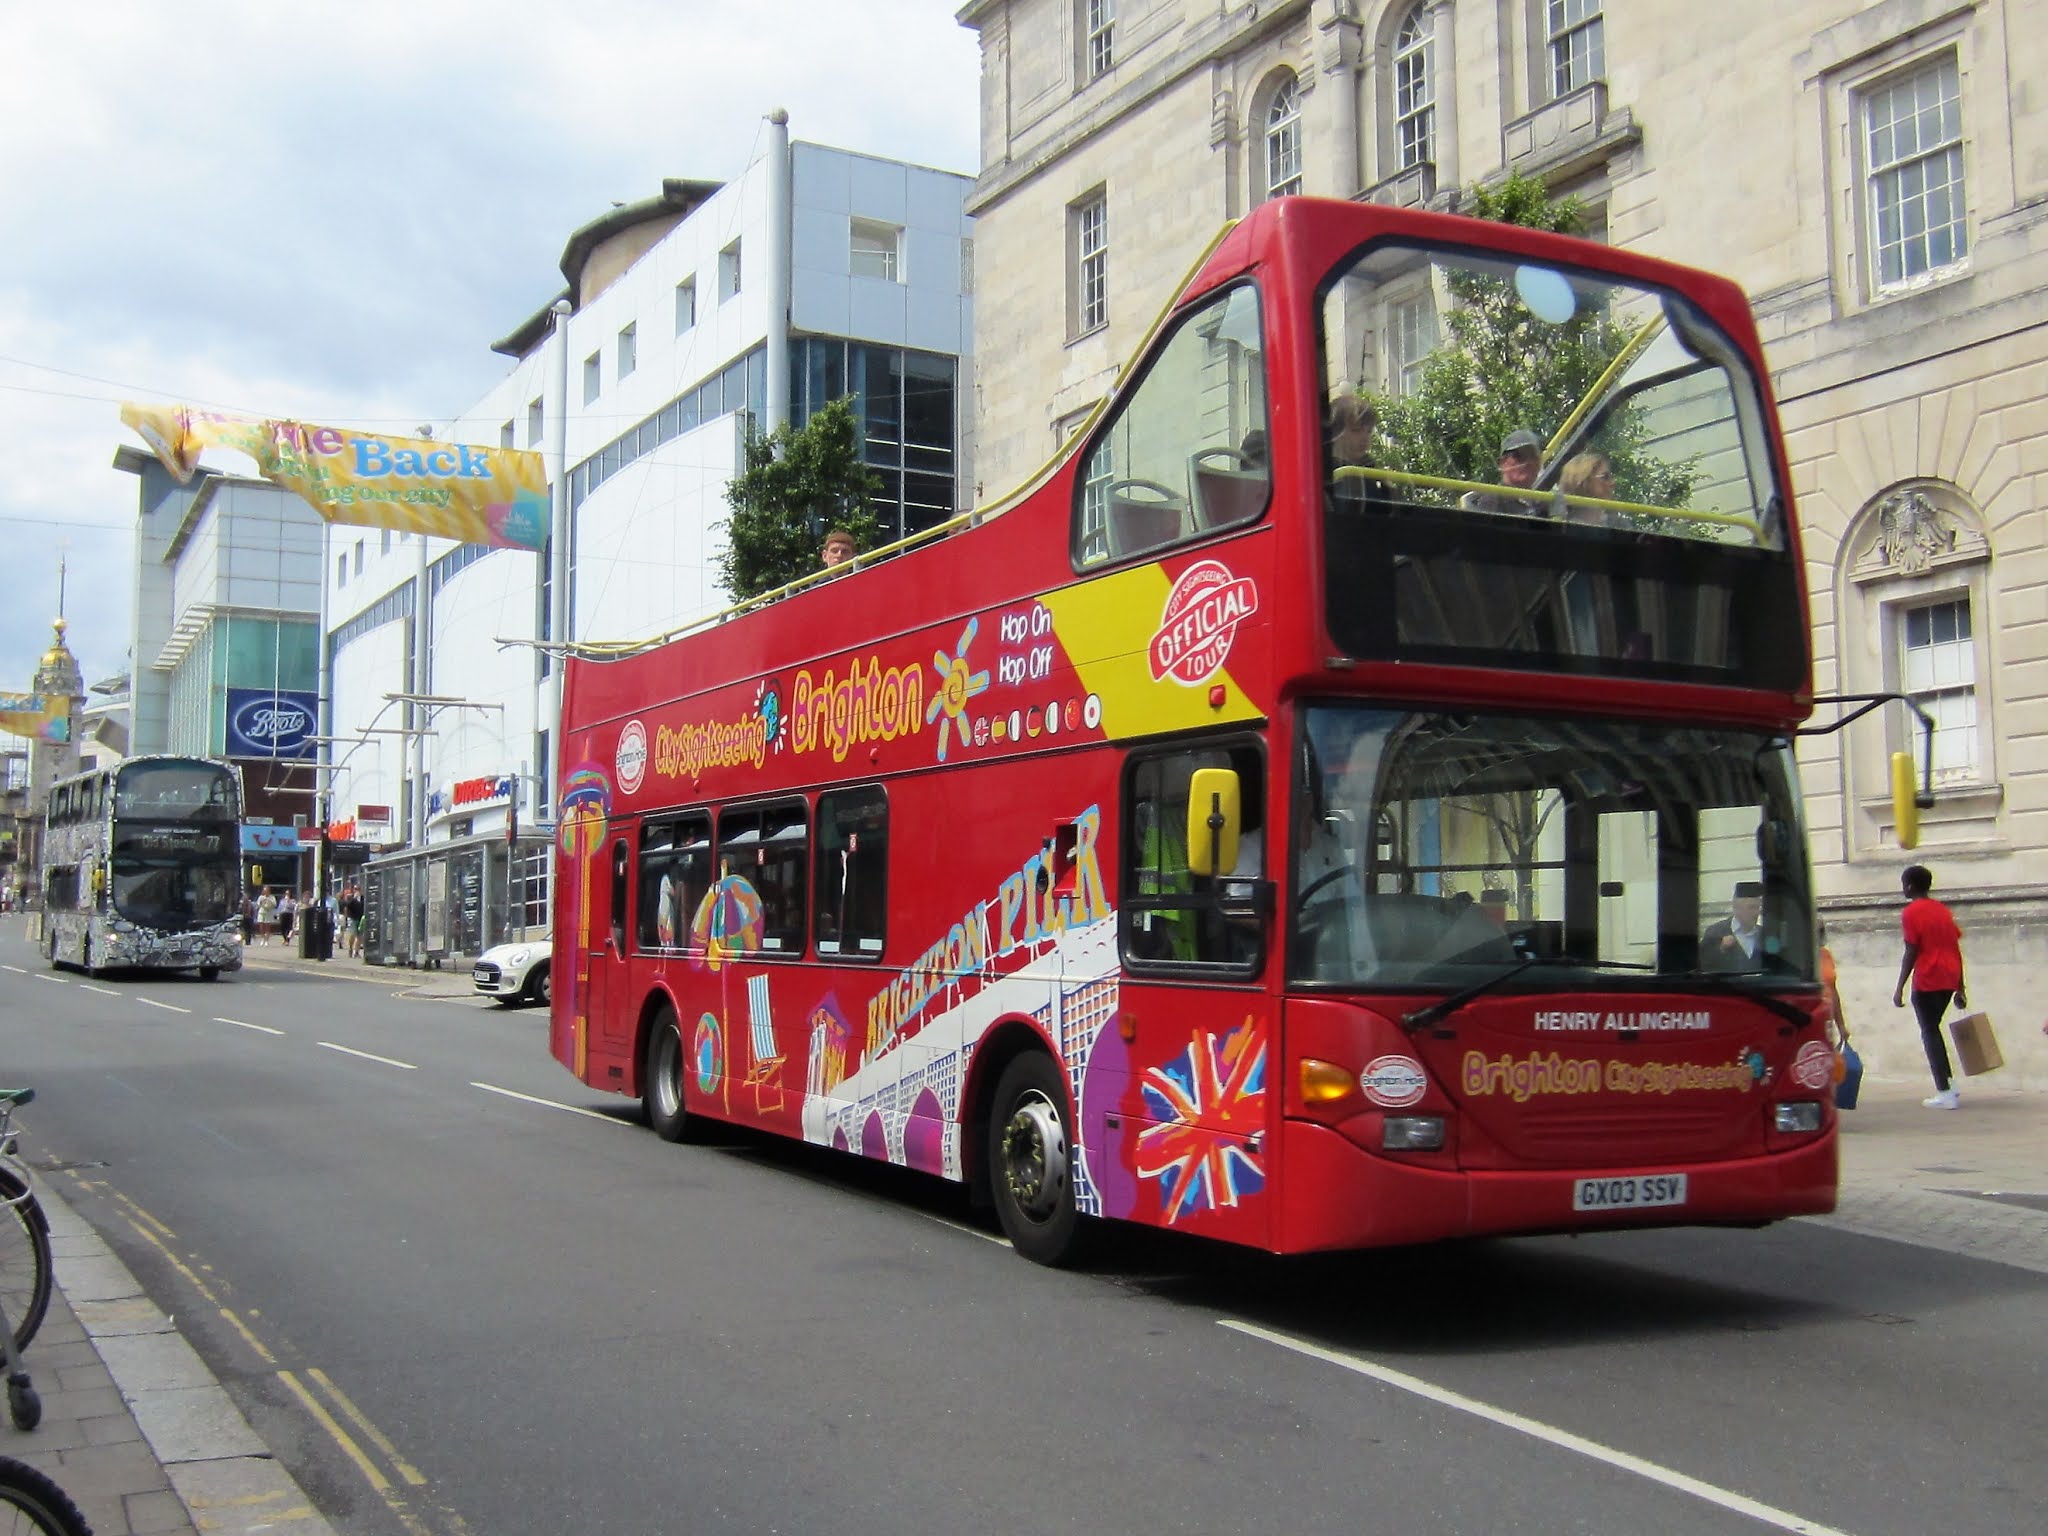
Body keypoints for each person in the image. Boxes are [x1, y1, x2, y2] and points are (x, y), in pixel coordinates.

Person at [1892, 863, 1966, 1109]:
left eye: (1904, 884)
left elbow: (1911, 950)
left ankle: (1944, 1091)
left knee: (1929, 1032)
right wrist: (1960, 987)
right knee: (1934, 1029)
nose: (1903, 889)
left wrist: (1900, 985)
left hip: (1928, 976)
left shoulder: (1911, 912)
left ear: (1910, 885)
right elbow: (1955, 947)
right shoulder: (1943, 911)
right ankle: (1948, 1084)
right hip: (1949, 975)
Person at [1462, 428, 1545, 516]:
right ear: (1502, 463)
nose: (1529, 462)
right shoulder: (1490, 502)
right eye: (1520, 456)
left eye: (1534, 456)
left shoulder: (1545, 503)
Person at [1701, 880, 1766, 971]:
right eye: (1752, 907)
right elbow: (1702, 965)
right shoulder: (1715, 932)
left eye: (1758, 907)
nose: (1757, 913)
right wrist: (1721, 949)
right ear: (1736, 908)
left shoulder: (1764, 934)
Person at [1557, 451, 1617, 525]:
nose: (1613, 482)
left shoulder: (1617, 524)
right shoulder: (1562, 527)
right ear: (1583, 481)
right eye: (1605, 477)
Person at [343, 884, 365, 957]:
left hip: (360, 918)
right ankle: (350, 949)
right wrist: (354, 899)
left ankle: (357, 952)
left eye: (358, 889)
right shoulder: (351, 898)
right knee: (352, 934)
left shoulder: (363, 898)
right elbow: (347, 905)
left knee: (359, 936)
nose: (357, 891)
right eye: (355, 889)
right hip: (352, 918)